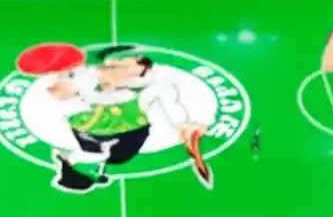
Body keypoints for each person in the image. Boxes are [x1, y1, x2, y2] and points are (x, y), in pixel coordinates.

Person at [48, 45, 211, 191]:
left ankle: (184, 125)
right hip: (93, 126)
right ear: (112, 62)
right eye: (134, 59)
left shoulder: (140, 85)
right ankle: (74, 162)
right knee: (95, 151)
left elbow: (162, 92)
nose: (140, 61)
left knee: (162, 90)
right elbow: (60, 92)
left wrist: (182, 124)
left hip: (129, 127)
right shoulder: (84, 77)